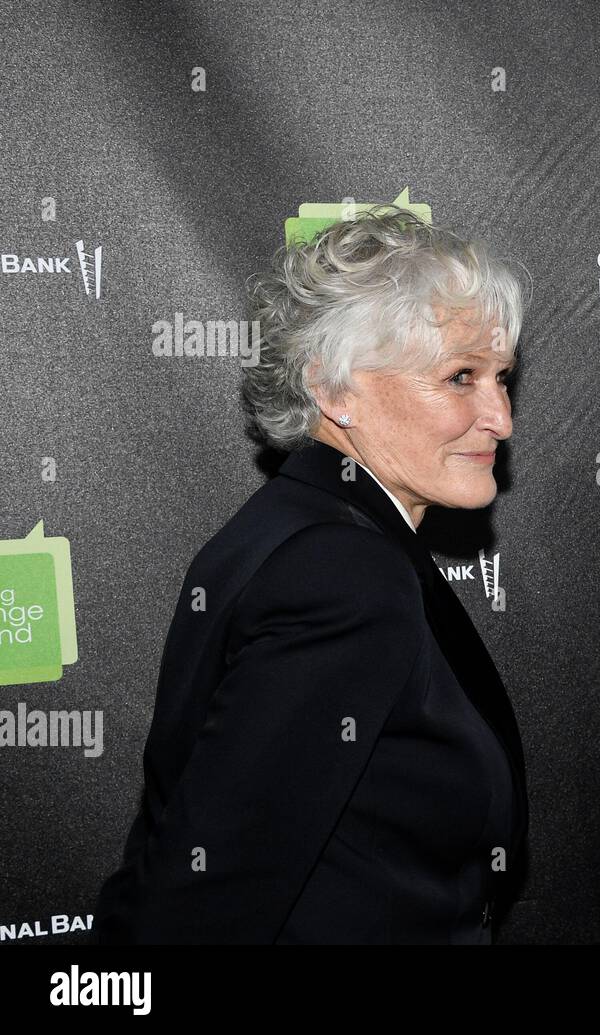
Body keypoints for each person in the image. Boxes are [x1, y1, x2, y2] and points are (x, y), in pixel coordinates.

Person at [94, 206, 529, 943]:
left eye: (500, 377)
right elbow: (210, 898)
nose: (501, 417)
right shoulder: (342, 571)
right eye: (460, 376)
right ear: (333, 390)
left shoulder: (300, 527)